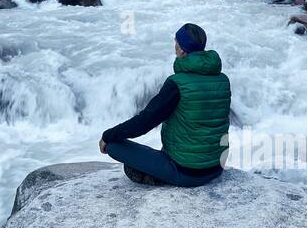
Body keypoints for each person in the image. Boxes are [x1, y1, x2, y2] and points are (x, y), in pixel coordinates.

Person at [98, 23, 230, 187]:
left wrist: (108, 135)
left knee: (113, 146)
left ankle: (162, 177)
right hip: (217, 166)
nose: (174, 46)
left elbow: (145, 122)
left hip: (187, 172)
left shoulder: (177, 84)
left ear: (181, 49)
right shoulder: (223, 80)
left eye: (176, 42)